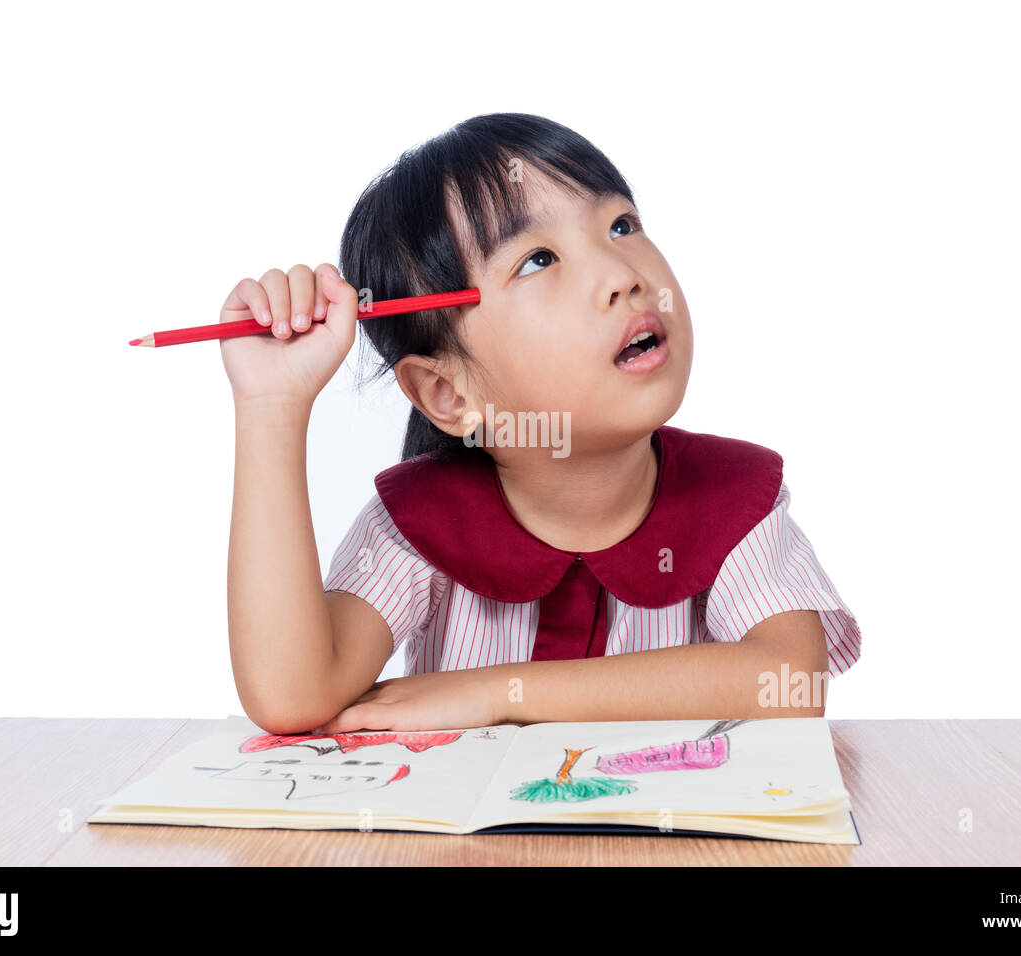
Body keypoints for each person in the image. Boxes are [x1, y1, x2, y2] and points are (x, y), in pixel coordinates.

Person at [220, 113, 860, 736]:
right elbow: (292, 694)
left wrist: (497, 693)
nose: (623, 277)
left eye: (621, 224)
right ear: (446, 391)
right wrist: (271, 407)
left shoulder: (733, 496)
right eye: (538, 260)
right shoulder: (417, 524)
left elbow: (790, 681)